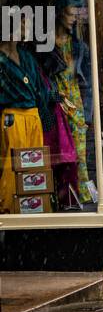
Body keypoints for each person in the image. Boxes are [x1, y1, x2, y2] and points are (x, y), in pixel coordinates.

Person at [0, 39, 57, 213]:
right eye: (21, 21)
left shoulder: (26, 56)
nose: (26, 25)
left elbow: (40, 88)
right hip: (13, 115)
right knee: (12, 165)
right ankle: (8, 210)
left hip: (32, 115)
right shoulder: (2, 58)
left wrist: (50, 99)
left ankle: (34, 209)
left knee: (34, 166)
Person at [47, 0, 93, 207]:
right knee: (60, 152)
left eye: (76, 15)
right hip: (56, 101)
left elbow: (88, 82)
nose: (74, 19)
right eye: (70, 14)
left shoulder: (78, 46)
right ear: (58, 14)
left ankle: (79, 194)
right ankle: (61, 196)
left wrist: (90, 113)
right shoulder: (46, 45)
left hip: (74, 100)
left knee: (79, 152)